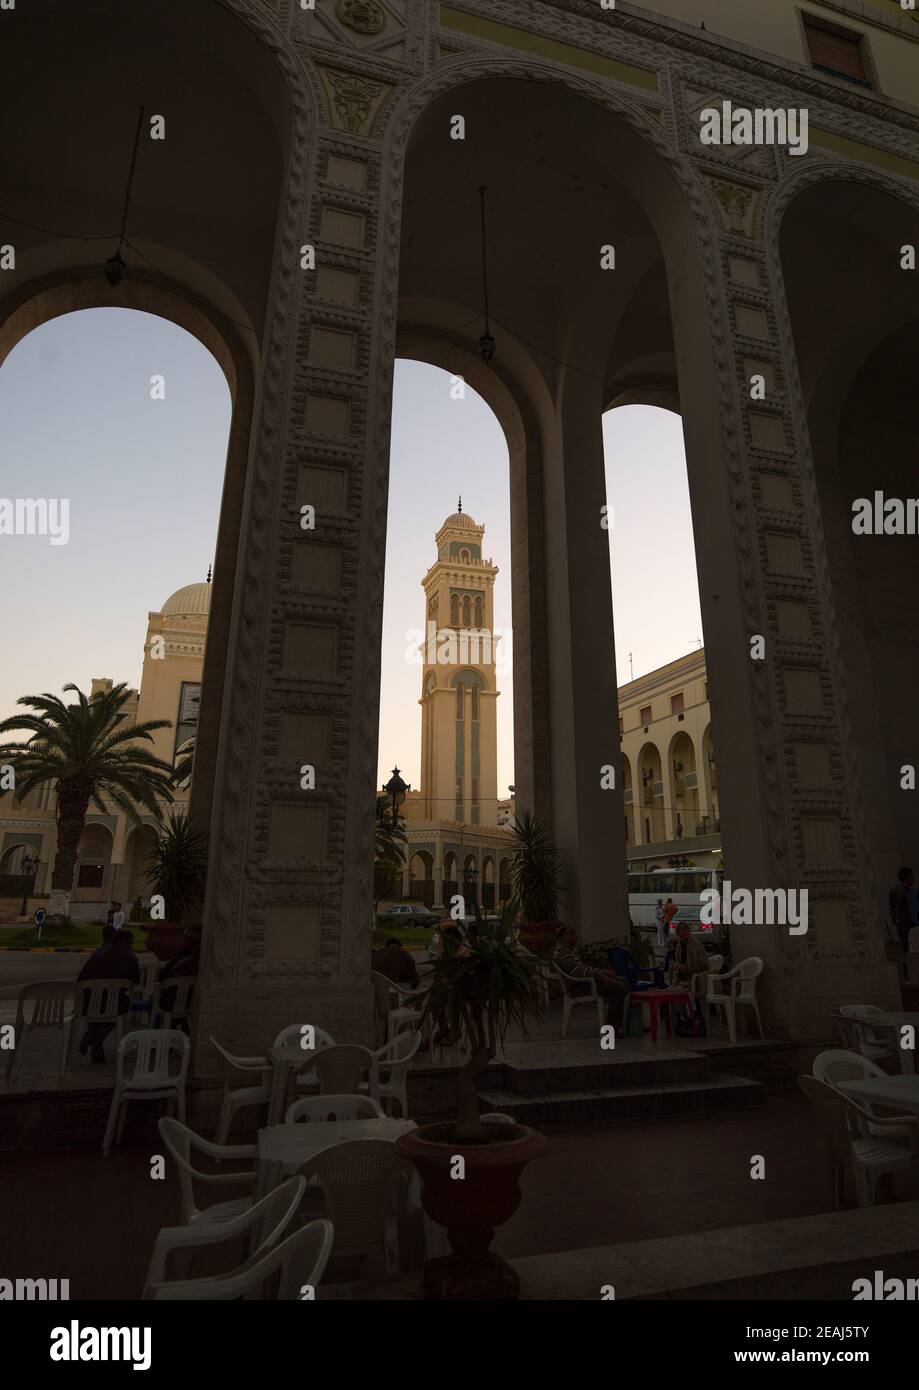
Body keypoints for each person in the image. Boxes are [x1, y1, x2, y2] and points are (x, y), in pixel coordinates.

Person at [76, 929, 140, 1063]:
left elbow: (81, 978)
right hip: (114, 1004)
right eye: (132, 943)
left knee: (98, 1010)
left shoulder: (97, 954)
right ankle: (97, 1036)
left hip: (89, 1004)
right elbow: (135, 980)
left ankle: (95, 1039)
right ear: (126, 943)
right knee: (118, 1006)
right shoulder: (130, 957)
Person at [554, 925, 630, 1032]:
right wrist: (598, 974)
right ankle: (612, 1028)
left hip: (585, 982)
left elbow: (582, 967)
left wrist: (601, 971)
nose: (574, 937)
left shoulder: (570, 951)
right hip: (577, 986)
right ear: (562, 937)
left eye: (574, 934)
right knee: (618, 988)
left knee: (624, 980)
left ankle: (626, 1024)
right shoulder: (562, 952)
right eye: (570, 935)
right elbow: (576, 972)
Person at [158, 924, 201, 1022]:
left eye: (184, 938)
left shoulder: (181, 959)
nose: (181, 940)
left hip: (172, 1001)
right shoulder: (197, 958)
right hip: (192, 1003)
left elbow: (163, 977)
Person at [889, 867, 918, 953]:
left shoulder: (893, 890)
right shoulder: (908, 892)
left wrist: (896, 921)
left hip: (900, 926)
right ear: (907, 877)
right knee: (913, 950)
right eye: (912, 876)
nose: (913, 879)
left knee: (906, 949)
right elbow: (914, 911)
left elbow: (891, 909)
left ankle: (907, 966)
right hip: (910, 926)